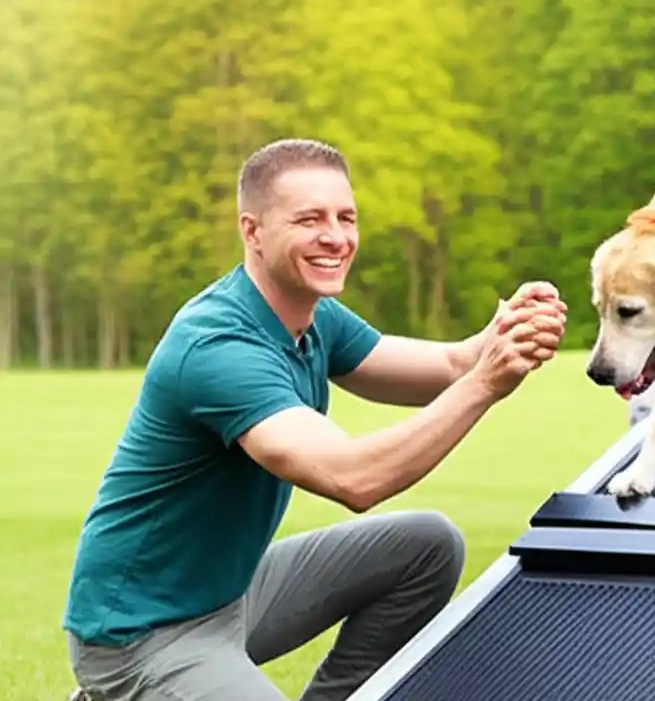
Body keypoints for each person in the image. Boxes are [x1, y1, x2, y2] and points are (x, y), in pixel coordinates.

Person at [62, 138, 568, 700]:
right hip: (141, 631)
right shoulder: (218, 345)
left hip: (230, 594)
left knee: (427, 547)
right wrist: (485, 384)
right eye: (309, 219)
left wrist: (501, 335)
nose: (336, 237)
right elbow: (353, 479)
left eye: (345, 217)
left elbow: (448, 364)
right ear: (252, 232)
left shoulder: (314, 317)